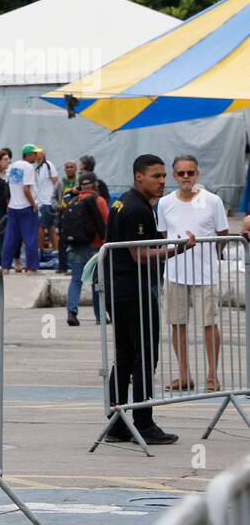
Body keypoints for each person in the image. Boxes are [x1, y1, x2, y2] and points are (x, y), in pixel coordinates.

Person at [102, 154, 194, 446]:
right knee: (144, 358)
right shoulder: (136, 209)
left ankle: (118, 422)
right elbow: (140, 256)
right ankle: (143, 422)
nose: (162, 181)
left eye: (164, 176)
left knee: (126, 356)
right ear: (138, 176)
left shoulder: (124, 202)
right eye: (156, 176)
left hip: (119, 290)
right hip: (134, 293)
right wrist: (177, 249)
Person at [156, 155, 229, 391]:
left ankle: (212, 375)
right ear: (174, 176)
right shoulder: (165, 203)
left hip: (205, 274)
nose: (186, 177)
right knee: (177, 324)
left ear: (197, 174)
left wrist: (210, 257)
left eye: (190, 173)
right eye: (181, 173)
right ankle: (184, 375)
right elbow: (163, 235)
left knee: (209, 324)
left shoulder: (213, 200)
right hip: (175, 272)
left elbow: (223, 233)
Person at [62, 171, 108, 326]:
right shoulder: (99, 200)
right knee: (97, 282)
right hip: (95, 247)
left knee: (76, 280)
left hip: (76, 246)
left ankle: (72, 312)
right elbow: (106, 222)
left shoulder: (74, 201)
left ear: (79, 186)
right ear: (95, 185)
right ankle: (100, 316)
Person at [1, 144, 39, 273]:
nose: (36, 156)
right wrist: (33, 204)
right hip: (26, 207)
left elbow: (8, 188)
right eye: (34, 154)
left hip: (13, 206)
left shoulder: (12, 166)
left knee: (10, 238)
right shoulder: (28, 167)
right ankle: (31, 268)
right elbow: (26, 189)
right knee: (30, 238)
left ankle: (5, 266)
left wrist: (8, 203)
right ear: (28, 155)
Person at [33, 149, 59, 256]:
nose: (36, 156)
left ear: (42, 155)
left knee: (41, 226)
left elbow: (55, 181)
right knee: (50, 226)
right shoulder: (37, 168)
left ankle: (41, 249)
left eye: (38, 154)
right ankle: (54, 249)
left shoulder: (49, 166)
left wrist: (54, 198)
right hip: (40, 201)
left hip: (47, 201)